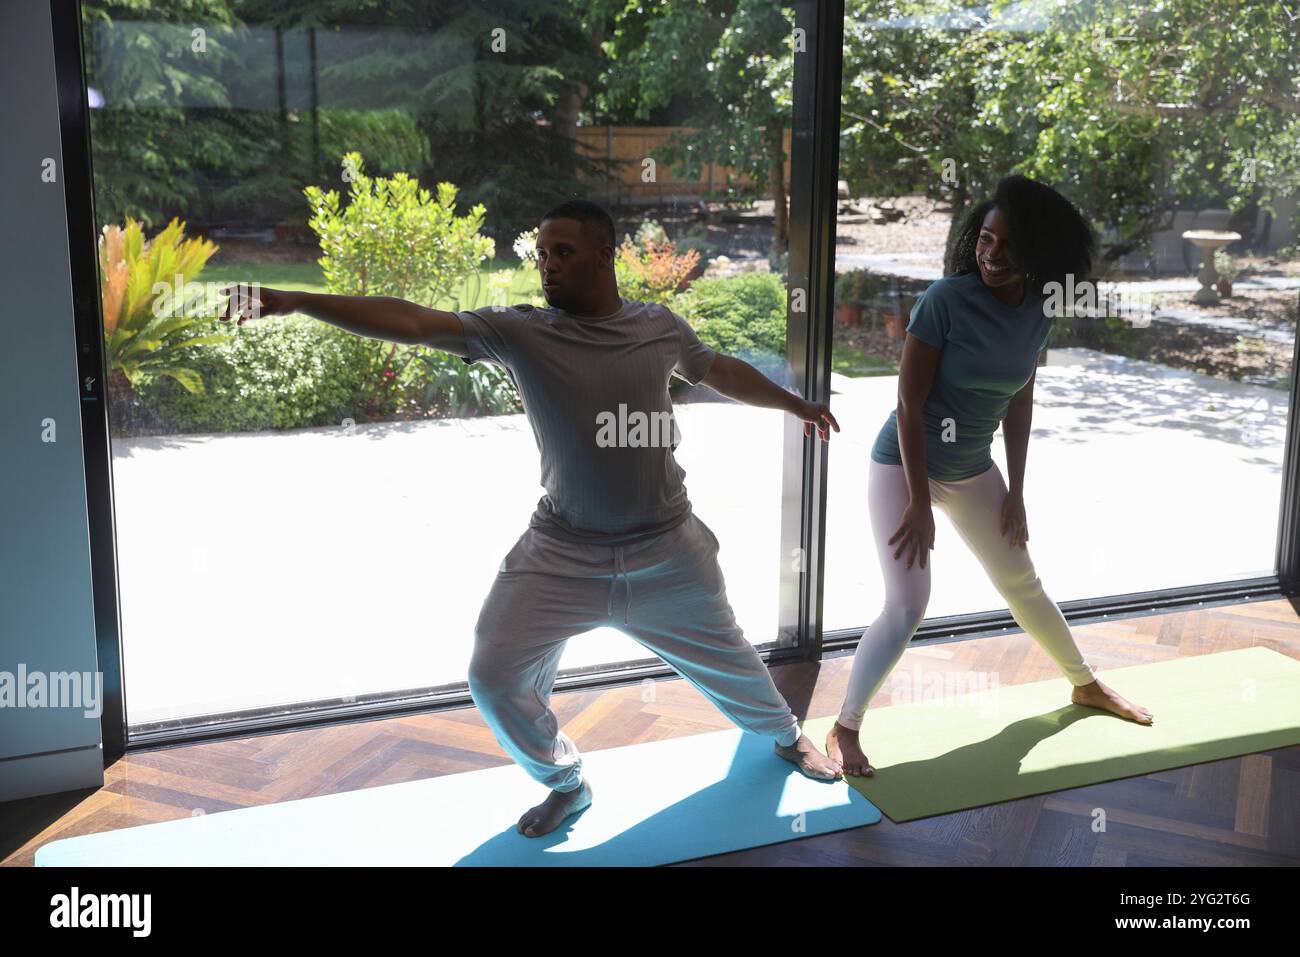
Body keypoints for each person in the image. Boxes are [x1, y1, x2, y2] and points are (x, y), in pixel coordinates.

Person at [219, 198, 844, 838]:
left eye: (562, 252)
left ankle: (788, 737)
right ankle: (565, 783)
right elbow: (411, 321)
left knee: (735, 662)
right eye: (541, 253)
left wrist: (794, 404)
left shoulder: (659, 326)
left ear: (604, 254)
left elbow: (720, 371)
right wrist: (297, 300)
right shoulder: (522, 331)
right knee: (493, 676)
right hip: (562, 551)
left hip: (668, 550)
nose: (547, 265)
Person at [825, 175, 1154, 779]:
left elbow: (1020, 402)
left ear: (1039, 251)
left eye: (1007, 244)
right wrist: (919, 502)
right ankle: (845, 726)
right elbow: (909, 406)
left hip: (973, 466)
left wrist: (1018, 492)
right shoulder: (944, 302)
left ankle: (1086, 684)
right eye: (984, 239)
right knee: (908, 603)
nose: (992, 254)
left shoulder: (1036, 312)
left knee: (1020, 579)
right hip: (905, 464)